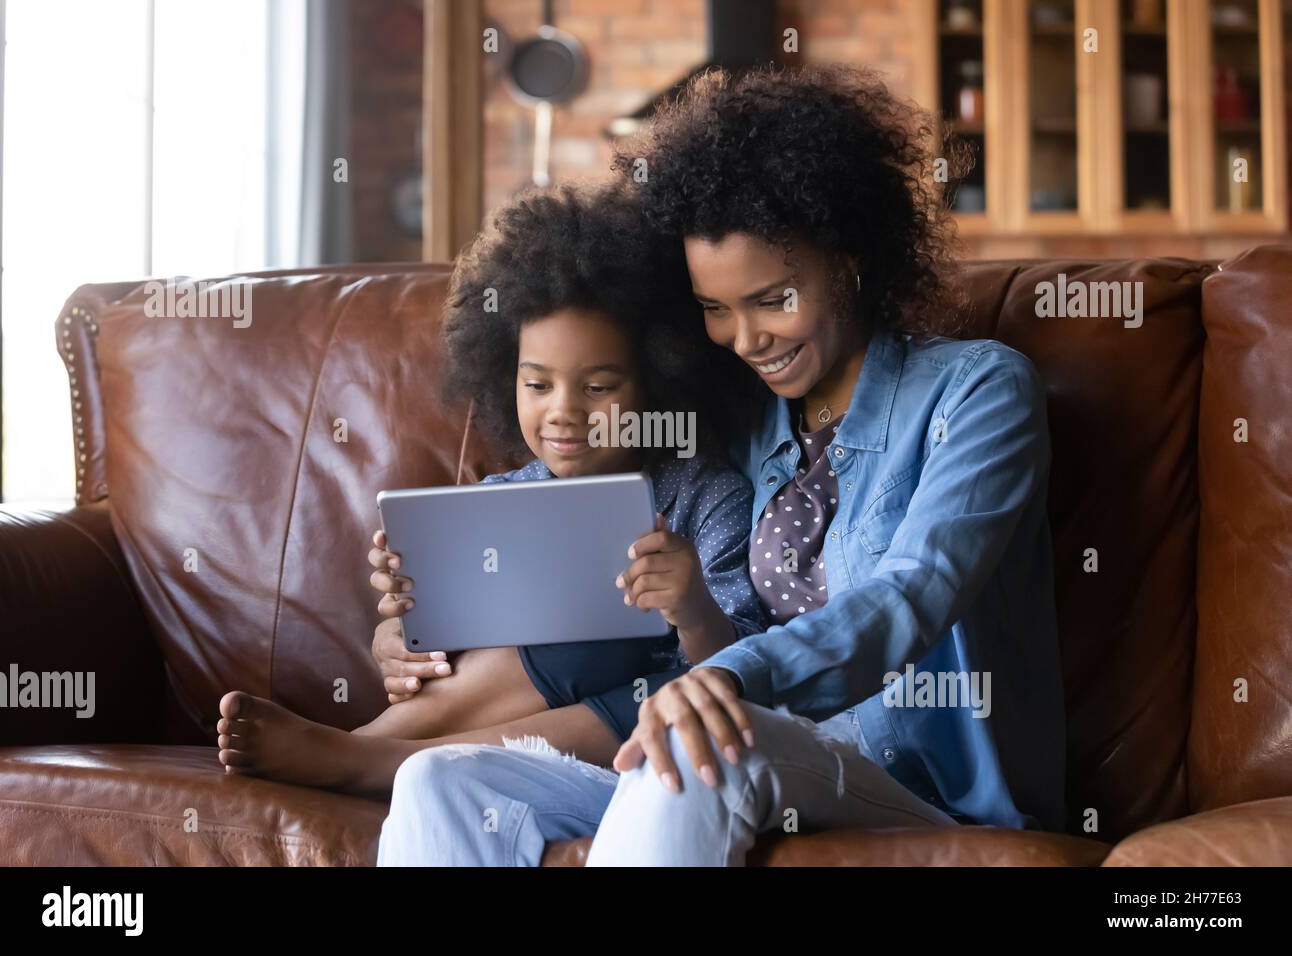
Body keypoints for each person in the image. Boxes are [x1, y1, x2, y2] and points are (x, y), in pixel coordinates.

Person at [374, 64, 1067, 866]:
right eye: (715, 309)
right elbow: (585, 521)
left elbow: (911, 595)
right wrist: (427, 616)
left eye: (773, 299)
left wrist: (730, 678)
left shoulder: (979, 392)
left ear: (852, 259)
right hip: (767, 762)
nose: (746, 339)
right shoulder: (735, 419)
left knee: (706, 747)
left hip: (922, 790)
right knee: (440, 782)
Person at [214, 182, 765, 796]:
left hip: (642, 740)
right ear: (506, 378)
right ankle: (371, 748)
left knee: (627, 657)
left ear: (660, 383)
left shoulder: (709, 496)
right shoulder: (498, 499)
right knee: (572, 641)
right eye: (537, 386)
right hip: (503, 736)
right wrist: (399, 644)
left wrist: (692, 610)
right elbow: (449, 654)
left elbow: (743, 669)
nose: (563, 412)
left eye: (599, 387)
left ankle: (362, 758)